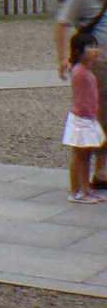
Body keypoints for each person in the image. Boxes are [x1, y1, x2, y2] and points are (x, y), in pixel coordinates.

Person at [56, 0, 107, 188]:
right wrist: (62, 57)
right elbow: (62, 23)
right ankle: (91, 176)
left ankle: (100, 172)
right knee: (94, 116)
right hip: (94, 67)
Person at [64, 30, 106, 202]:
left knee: (86, 155)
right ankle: (76, 191)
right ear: (79, 51)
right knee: (79, 155)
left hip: (88, 118)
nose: (94, 50)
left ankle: (85, 188)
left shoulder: (88, 70)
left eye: (95, 46)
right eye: (89, 47)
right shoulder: (80, 71)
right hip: (82, 119)